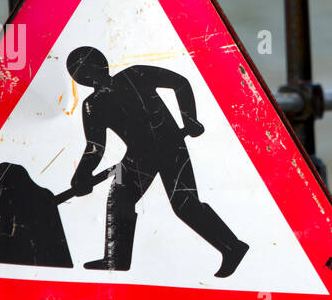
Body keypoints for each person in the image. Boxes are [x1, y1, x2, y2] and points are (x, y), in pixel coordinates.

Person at [65, 45, 248, 277]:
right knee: (121, 197)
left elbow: (180, 83)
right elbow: (95, 147)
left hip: (170, 145)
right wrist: (82, 174)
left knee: (184, 203)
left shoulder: (134, 75)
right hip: (140, 155)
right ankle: (117, 258)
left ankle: (233, 247)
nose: (87, 74)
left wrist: (189, 119)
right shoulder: (94, 103)